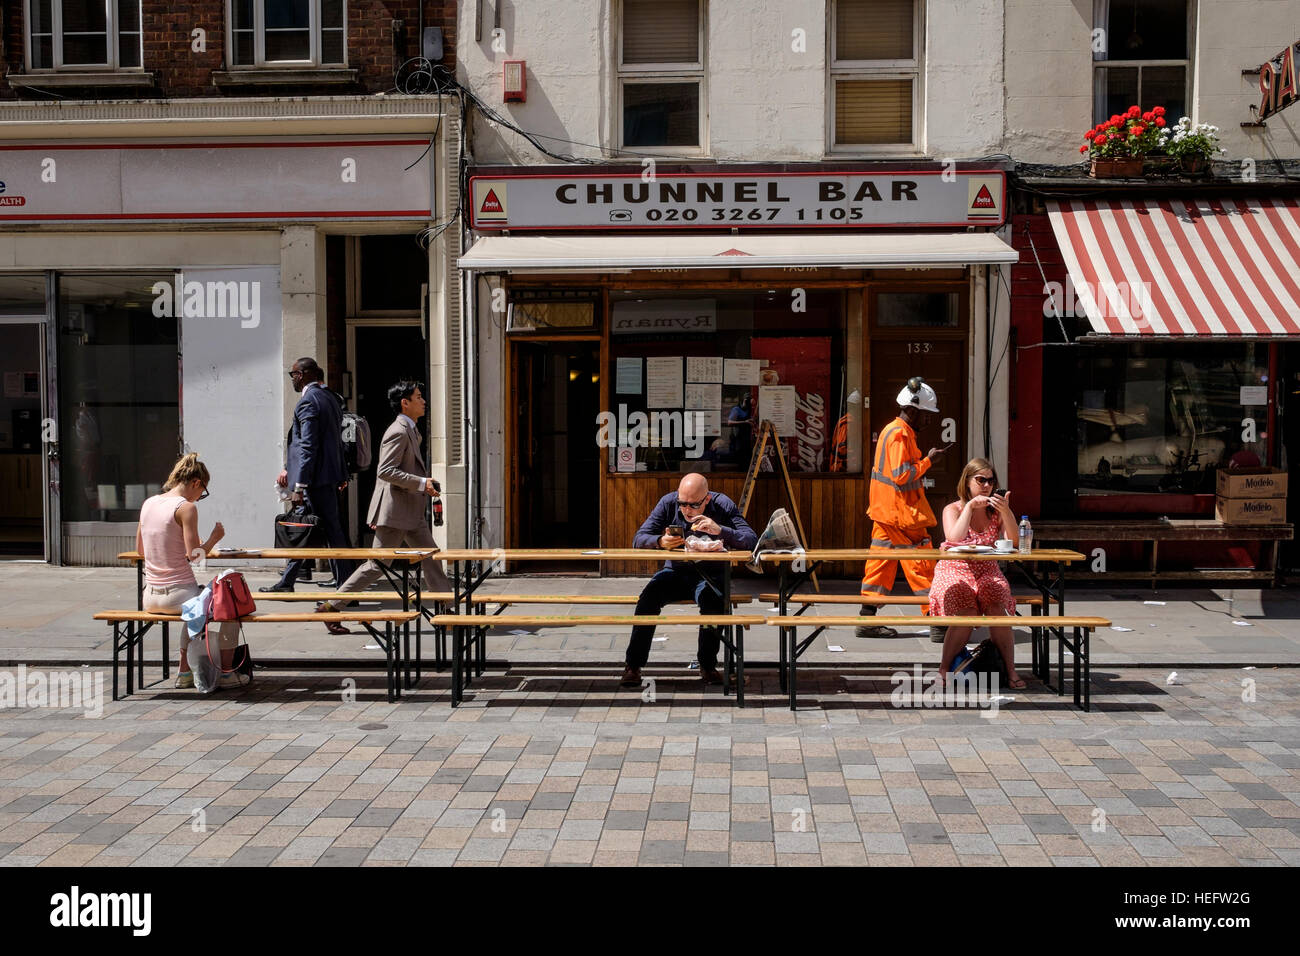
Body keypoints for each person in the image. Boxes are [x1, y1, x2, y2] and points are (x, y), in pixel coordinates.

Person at [317, 381, 451, 634]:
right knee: (377, 565)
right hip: (395, 513)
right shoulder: (398, 431)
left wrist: (424, 485)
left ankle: (445, 611)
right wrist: (422, 482)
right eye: (419, 397)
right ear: (405, 403)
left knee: (431, 559)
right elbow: (386, 471)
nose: (424, 401)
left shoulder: (411, 430)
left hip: (409, 511)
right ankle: (331, 607)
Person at [622, 473, 757, 688]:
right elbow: (638, 538)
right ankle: (633, 666)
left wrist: (720, 530)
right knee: (647, 599)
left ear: (707, 499)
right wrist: (660, 541)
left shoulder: (722, 505)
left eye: (693, 505)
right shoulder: (668, 503)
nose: (686, 510)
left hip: (710, 574)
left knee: (714, 602)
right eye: (682, 504)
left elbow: (751, 539)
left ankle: (707, 665)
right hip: (675, 572)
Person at [135, 453, 240, 689]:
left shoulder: (148, 503)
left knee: (196, 608)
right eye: (202, 492)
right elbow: (195, 556)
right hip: (179, 594)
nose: (200, 497)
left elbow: (141, 550)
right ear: (195, 482)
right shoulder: (186, 508)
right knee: (230, 606)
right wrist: (214, 539)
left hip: (150, 596)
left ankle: (184, 673)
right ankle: (225, 672)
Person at [857, 377, 947, 641]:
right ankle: (936, 621)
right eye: (927, 415)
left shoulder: (892, 431)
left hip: (885, 511)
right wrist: (929, 460)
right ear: (914, 411)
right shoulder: (899, 434)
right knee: (922, 564)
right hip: (901, 515)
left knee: (880, 564)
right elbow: (901, 476)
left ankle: (866, 618)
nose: (929, 420)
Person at [260, 357, 355, 593]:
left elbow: (307, 446)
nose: (292, 379)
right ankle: (290, 581)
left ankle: (347, 587)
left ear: (302, 374)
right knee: (305, 526)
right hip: (327, 476)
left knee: (331, 531)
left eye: (293, 374)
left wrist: (300, 485)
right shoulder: (331, 398)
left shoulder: (308, 402)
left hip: (315, 481)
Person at [930, 458, 1026, 690]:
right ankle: (943, 669)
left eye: (990, 481)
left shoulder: (996, 512)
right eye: (980, 480)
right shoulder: (952, 509)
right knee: (967, 611)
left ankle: (1011, 670)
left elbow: (1012, 542)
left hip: (987, 569)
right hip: (955, 569)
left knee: (996, 609)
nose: (986, 485)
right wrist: (970, 507)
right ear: (967, 481)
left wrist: (1007, 511)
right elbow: (954, 537)